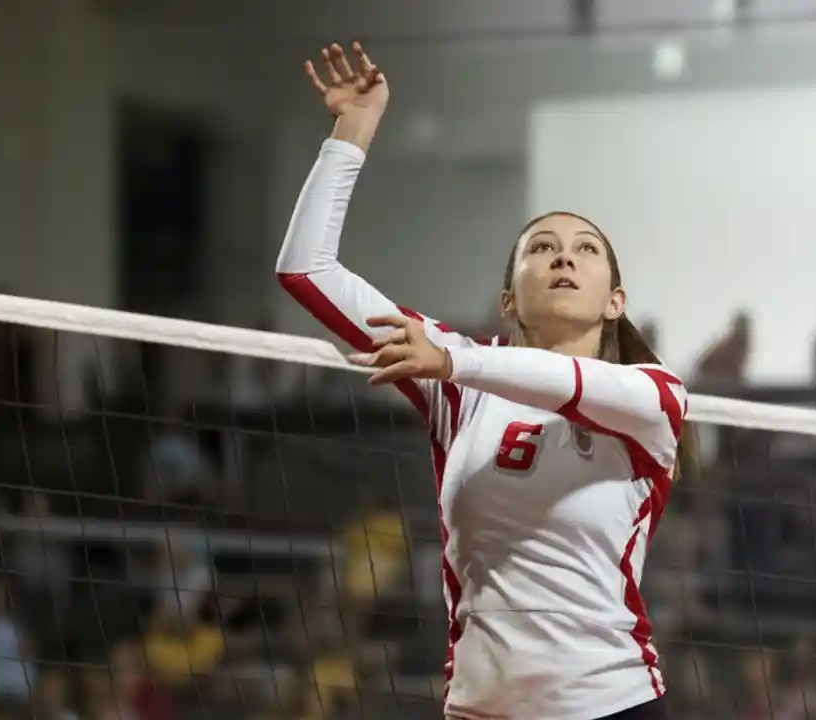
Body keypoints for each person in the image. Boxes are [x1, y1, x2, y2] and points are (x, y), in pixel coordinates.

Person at [277, 41, 693, 720]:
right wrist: (352, 130)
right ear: (508, 299)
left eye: (585, 249)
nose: (563, 257)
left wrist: (454, 360)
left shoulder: (652, 397)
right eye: (542, 248)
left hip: (610, 707)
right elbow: (306, 272)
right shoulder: (460, 386)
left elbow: (570, 383)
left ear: (615, 301)